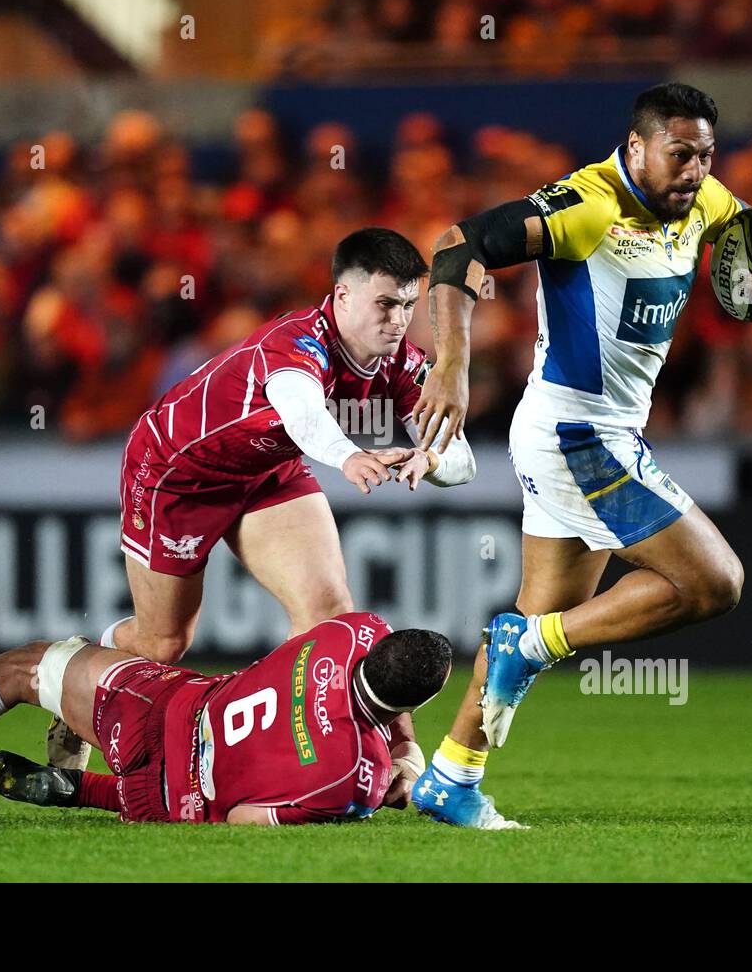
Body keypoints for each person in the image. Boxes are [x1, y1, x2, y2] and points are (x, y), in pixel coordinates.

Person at [410, 83, 752, 827]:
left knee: (546, 608)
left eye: (706, 154)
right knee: (715, 580)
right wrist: (451, 364)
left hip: (589, 432)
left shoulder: (699, 199)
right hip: (578, 433)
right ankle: (530, 644)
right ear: (635, 148)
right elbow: (459, 243)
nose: (696, 170)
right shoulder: (586, 206)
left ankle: (451, 776)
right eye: (680, 154)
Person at [46, 226, 475, 799]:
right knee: (162, 644)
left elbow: (462, 457)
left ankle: (394, 754)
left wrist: (430, 457)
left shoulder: (400, 361)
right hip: (177, 473)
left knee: (331, 616)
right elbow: (302, 414)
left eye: (406, 305)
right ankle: (75, 668)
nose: (398, 320)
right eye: (385, 304)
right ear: (342, 297)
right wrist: (349, 456)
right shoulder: (297, 344)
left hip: (266, 472)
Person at [0, 613, 460, 826]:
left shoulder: (349, 633)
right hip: (157, 797)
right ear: (413, 706)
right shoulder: (351, 777)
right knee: (192, 796)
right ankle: (78, 790)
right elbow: (247, 822)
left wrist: (395, 744)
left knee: (29, 668)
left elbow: (372, 659)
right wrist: (395, 769)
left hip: (157, 710)